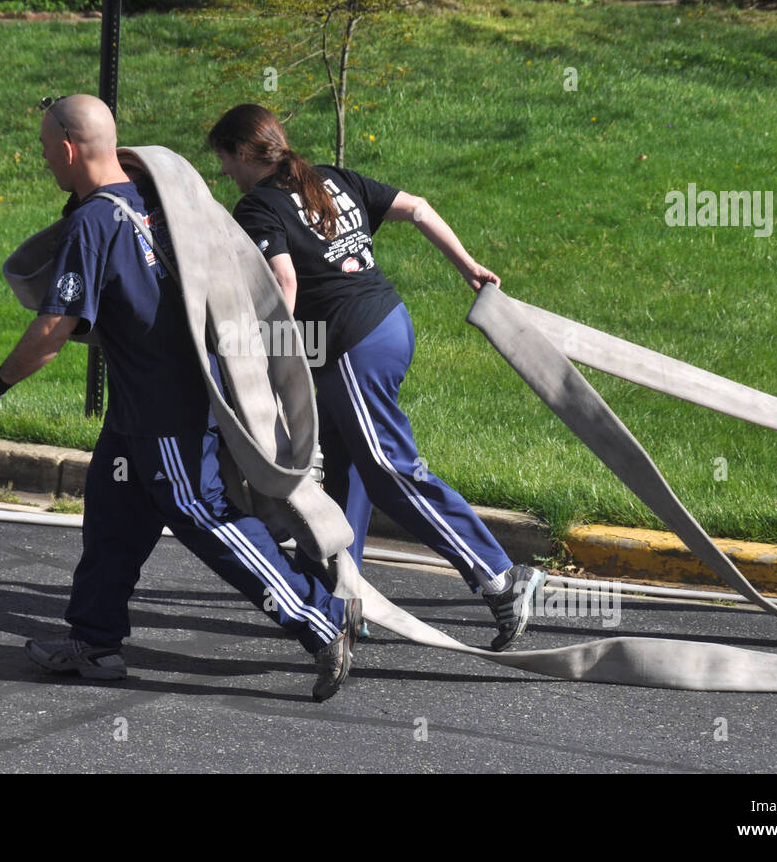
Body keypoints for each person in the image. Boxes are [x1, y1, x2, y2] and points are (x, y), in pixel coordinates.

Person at [0, 95, 360, 700]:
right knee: (113, 514)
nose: (46, 161)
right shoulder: (154, 199)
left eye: (48, 150)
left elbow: (52, 333)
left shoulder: (92, 223)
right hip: (144, 408)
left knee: (203, 516)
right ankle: (94, 641)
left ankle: (319, 617)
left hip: (166, 408)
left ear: (70, 149)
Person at [207, 103, 544, 651]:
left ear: (245, 153)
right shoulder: (332, 178)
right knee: (346, 475)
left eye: (226, 162)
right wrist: (468, 267)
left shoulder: (260, 206)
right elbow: (418, 208)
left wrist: (267, 370)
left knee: (389, 468)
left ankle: (502, 576)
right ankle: (343, 598)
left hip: (348, 347)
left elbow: (283, 288)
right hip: (389, 325)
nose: (226, 174)